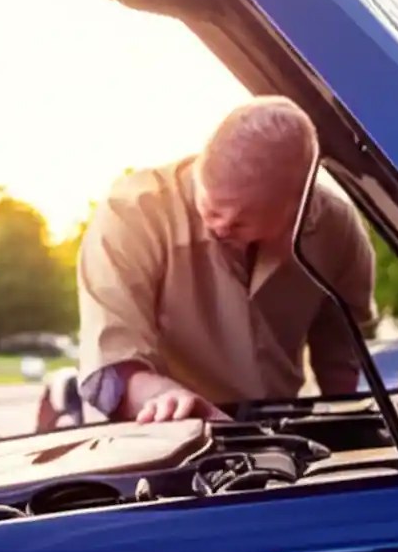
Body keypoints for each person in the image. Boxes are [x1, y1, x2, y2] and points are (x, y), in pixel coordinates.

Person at [76, 95, 378, 424]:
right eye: (212, 206)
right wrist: (165, 400)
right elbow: (109, 366)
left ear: (296, 203)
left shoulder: (337, 228)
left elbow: (344, 349)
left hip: (281, 432)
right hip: (162, 436)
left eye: (241, 221)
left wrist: (350, 424)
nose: (220, 226)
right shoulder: (131, 212)